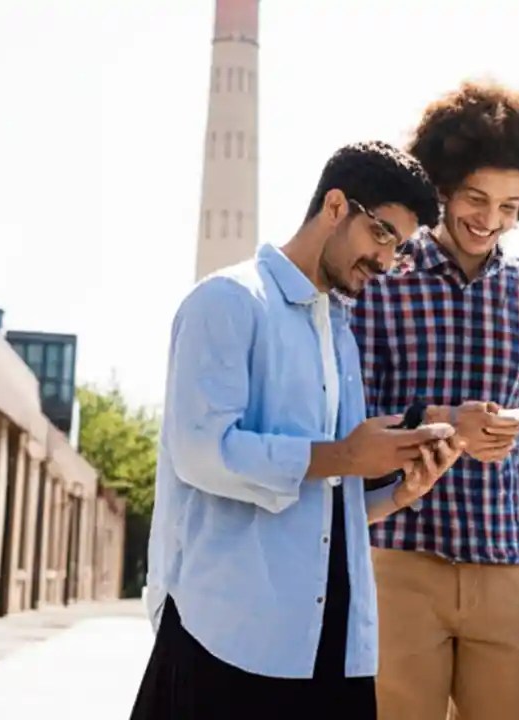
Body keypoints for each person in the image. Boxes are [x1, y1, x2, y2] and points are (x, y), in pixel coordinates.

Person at [131, 140, 466, 720]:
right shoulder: (228, 302)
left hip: (333, 651)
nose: (387, 260)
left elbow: (322, 510)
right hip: (228, 643)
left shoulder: (339, 332)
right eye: (382, 233)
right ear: (336, 206)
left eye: (401, 247)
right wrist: (343, 455)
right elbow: (202, 452)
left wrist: (398, 491)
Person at [350, 81, 519, 719]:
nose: (490, 218)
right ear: (444, 186)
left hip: (505, 560)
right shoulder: (384, 282)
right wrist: (446, 424)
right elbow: (354, 422)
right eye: (476, 197)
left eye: (509, 205)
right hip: (399, 555)